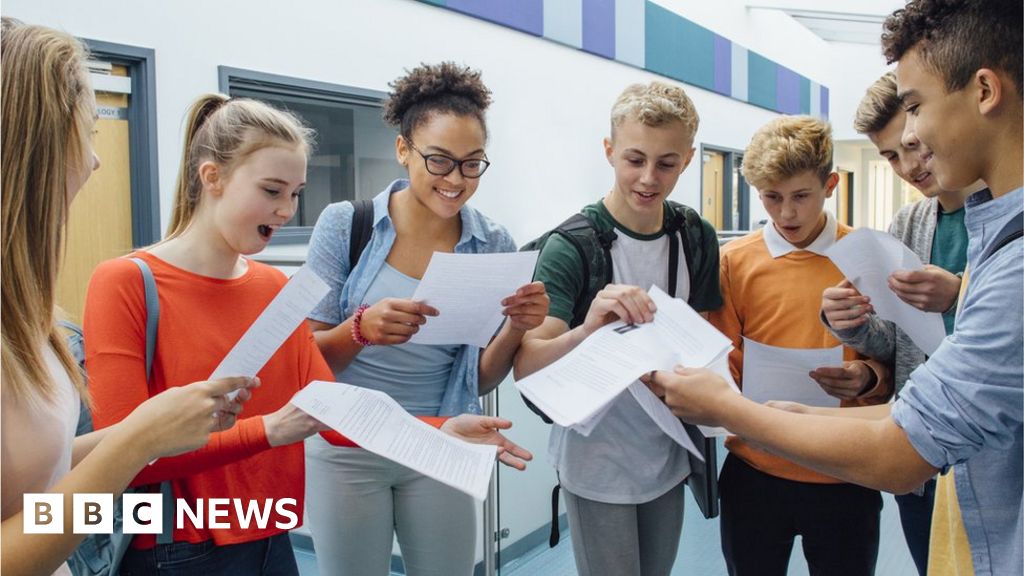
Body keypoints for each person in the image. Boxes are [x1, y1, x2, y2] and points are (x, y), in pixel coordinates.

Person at [85, 91, 532, 576]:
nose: (287, 211)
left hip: (270, 534)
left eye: (296, 194)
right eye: (273, 191)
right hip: (177, 545)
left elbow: (333, 412)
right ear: (211, 177)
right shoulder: (127, 282)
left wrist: (441, 428)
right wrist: (270, 429)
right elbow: (119, 457)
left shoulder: (274, 287)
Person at [651, 2, 1022, 575]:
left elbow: (902, 449)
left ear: (984, 90)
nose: (914, 142)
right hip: (769, 470)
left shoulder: (1001, 265)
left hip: (859, 478)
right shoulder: (961, 234)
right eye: (771, 198)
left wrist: (740, 409)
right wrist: (793, 410)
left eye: (917, 109)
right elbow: (908, 394)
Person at [0, 18, 255, 576]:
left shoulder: (27, 317)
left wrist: (147, 437)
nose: (95, 161)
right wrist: (140, 439)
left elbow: (35, 488)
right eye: (89, 133)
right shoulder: (126, 278)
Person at [303, 62, 546, 576]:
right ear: (403, 150)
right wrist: (360, 329)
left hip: (444, 437)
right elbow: (305, 362)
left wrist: (517, 328)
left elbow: (480, 377)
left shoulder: (493, 243)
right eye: (438, 160)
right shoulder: (348, 224)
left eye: (472, 163)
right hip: (349, 446)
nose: (455, 180)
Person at [513, 81, 722, 576]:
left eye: (667, 164)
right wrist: (588, 330)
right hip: (596, 458)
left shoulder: (694, 236)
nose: (649, 178)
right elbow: (528, 367)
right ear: (608, 151)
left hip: (669, 452)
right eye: (634, 159)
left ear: (688, 160)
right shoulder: (570, 246)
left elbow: (709, 335)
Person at [708, 115, 892, 576]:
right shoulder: (733, 262)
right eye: (772, 197)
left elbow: (896, 355)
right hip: (755, 470)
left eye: (800, 196)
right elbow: (720, 362)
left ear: (830, 184)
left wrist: (867, 376)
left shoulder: (870, 255)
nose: (786, 214)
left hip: (846, 469)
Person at [820, 71, 980, 576]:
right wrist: (849, 323)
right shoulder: (907, 226)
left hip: (987, 453)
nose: (908, 166)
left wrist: (958, 294)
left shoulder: (1003, 216)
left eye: (913, 146)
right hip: (921, 456)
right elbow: (895, 343)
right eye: (890, 156)